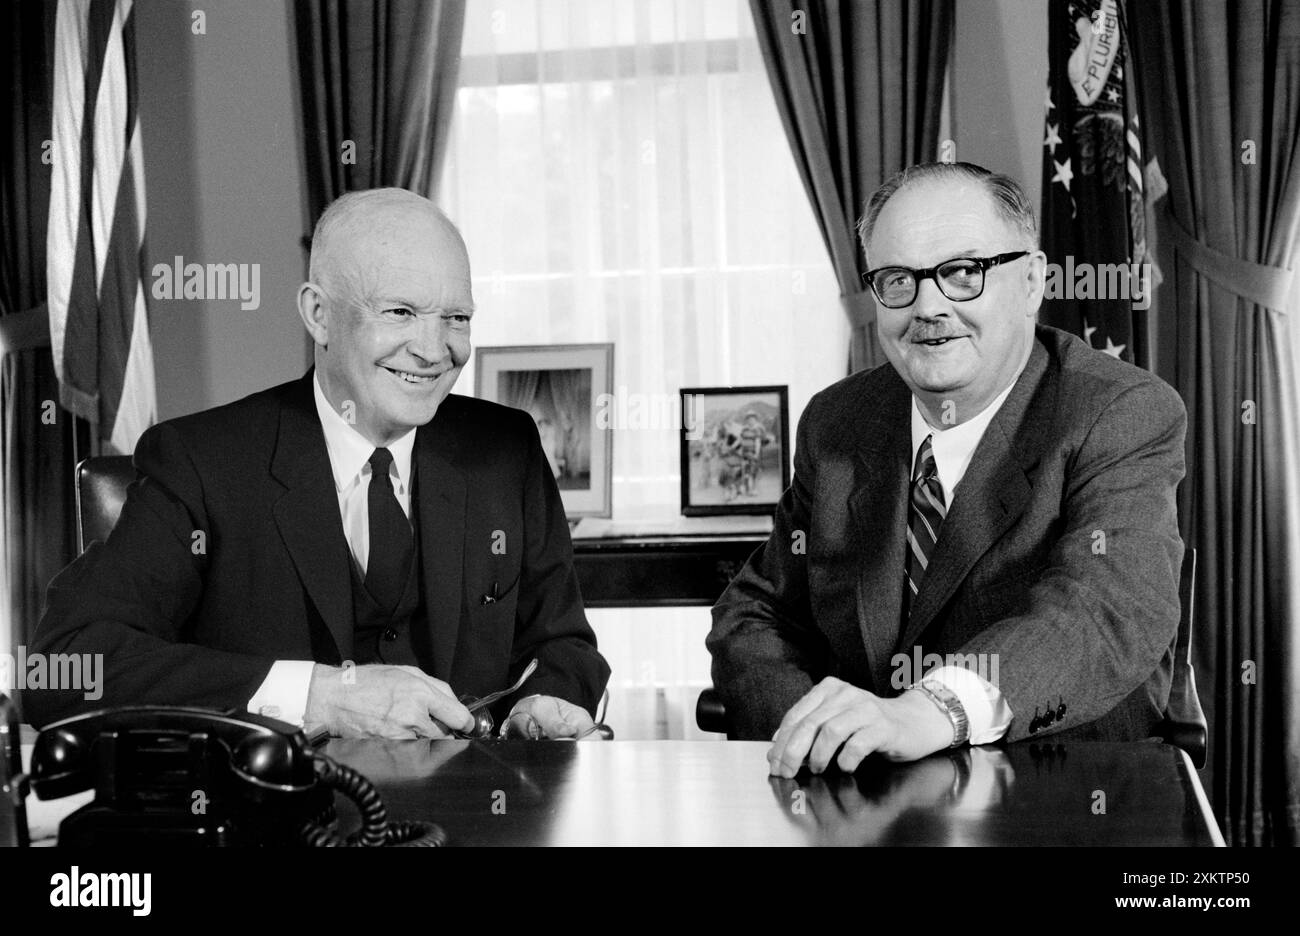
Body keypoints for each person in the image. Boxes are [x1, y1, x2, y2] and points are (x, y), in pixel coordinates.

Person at [27, 188, 610, 740]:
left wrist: (541, 706)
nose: (435, 351)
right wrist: (318, 697)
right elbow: (64, 667)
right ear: (319, 314)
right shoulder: (203, 462)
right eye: (400, 312)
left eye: (456, 317)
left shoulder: (505, 449)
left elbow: (565, 646)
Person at [706, 162, 1186, 777]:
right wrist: (825, 732)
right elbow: (756, 614)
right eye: (898, 280)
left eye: (964, 273)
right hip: (860, 809)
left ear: (1033, 281)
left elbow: (1104, 610)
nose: (928, 307)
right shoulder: (837, 422)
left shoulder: (1118, 412)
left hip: (1058, 795)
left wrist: (926, 713)